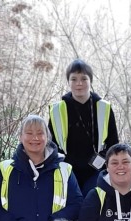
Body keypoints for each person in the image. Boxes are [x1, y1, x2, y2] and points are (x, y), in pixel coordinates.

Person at [48, 59, 120, 193]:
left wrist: (101, 161)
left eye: (84, 79)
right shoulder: (57, 110)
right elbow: (51, 145)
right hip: (66, 170)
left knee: (91, 203)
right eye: (73, 79)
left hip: (96, 170)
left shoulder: (104, 108)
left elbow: (113, 143)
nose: (79, 83)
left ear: (90, 81)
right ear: (68, 82)